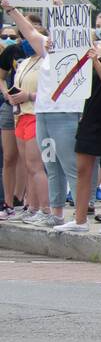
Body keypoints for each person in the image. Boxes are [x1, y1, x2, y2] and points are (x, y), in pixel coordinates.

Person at [52, 12, 101, 234]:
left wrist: (97, 60)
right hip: (91, 116)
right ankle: (80, 219)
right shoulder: (99, 55)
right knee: (83, 168)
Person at [2, 20, 53, 224]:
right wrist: (13, 97)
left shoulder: (46, 61)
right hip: (21, 115)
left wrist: (29, 96)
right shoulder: (24, 62)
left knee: (35, 165)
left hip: (36, 115)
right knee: (26, 164)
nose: (26, 41)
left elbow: (50, 93)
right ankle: (31, 206)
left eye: (31, 37)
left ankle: (46, 208)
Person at [0, 23, 28, 218]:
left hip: (32, 109)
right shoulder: (12, 51)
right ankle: (8, 202)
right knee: (9, 157)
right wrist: (7, 95)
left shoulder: (45, 53)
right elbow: (1, 77)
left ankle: (26, 200)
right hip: (11, 108)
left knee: (29, 159)